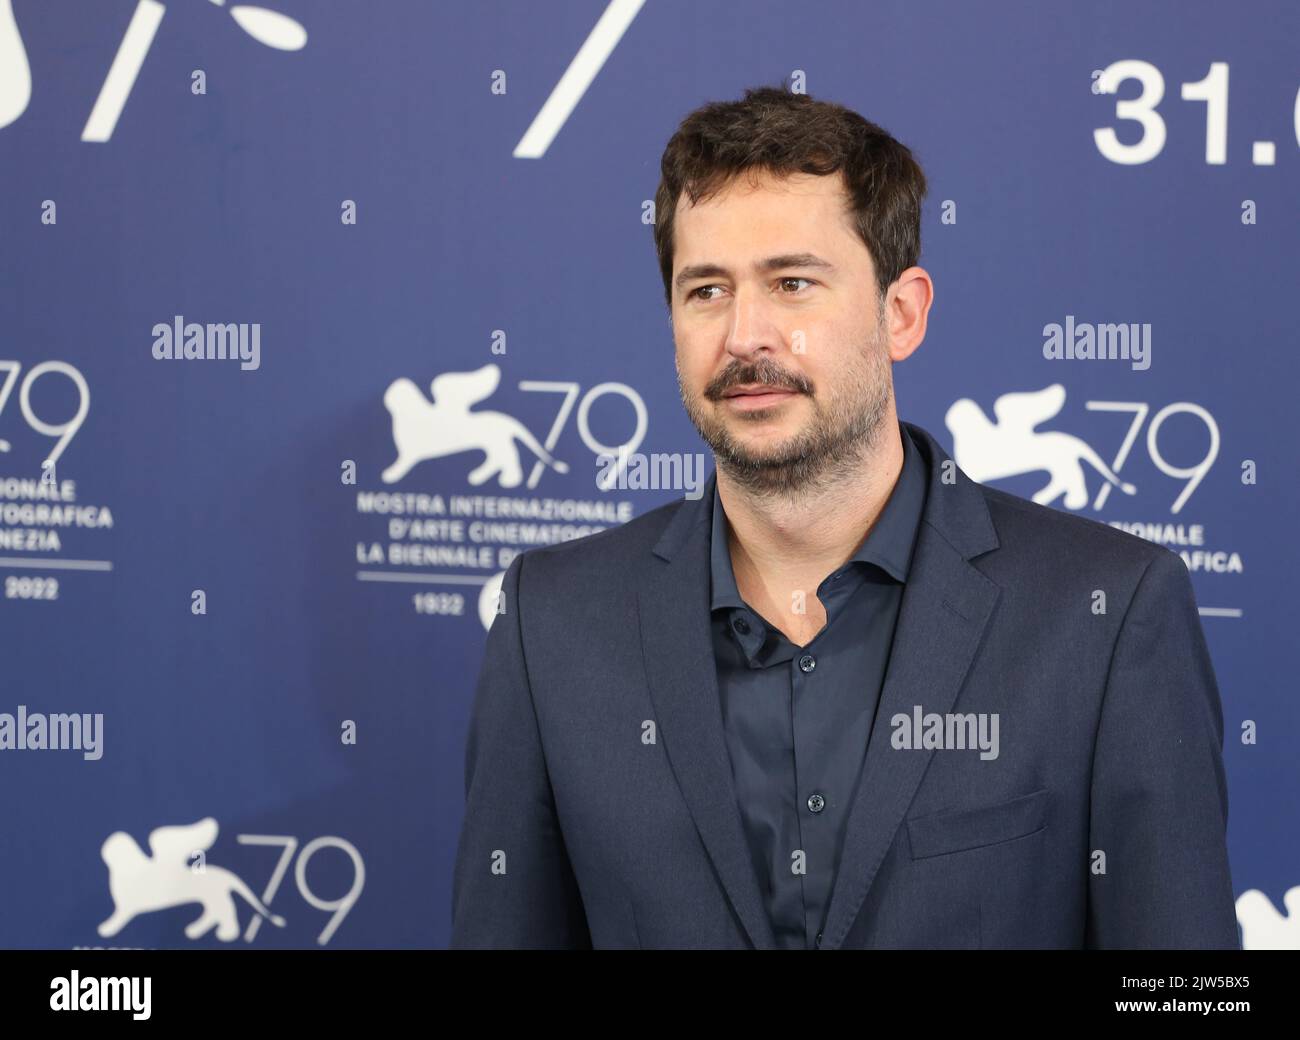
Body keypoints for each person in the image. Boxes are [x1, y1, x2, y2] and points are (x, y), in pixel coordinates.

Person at [449, 86, 1238, 949]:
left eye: (792, 283)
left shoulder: (1105, 612)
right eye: (706, 290)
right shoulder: (552, 621)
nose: (746, 336)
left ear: (901, 314)